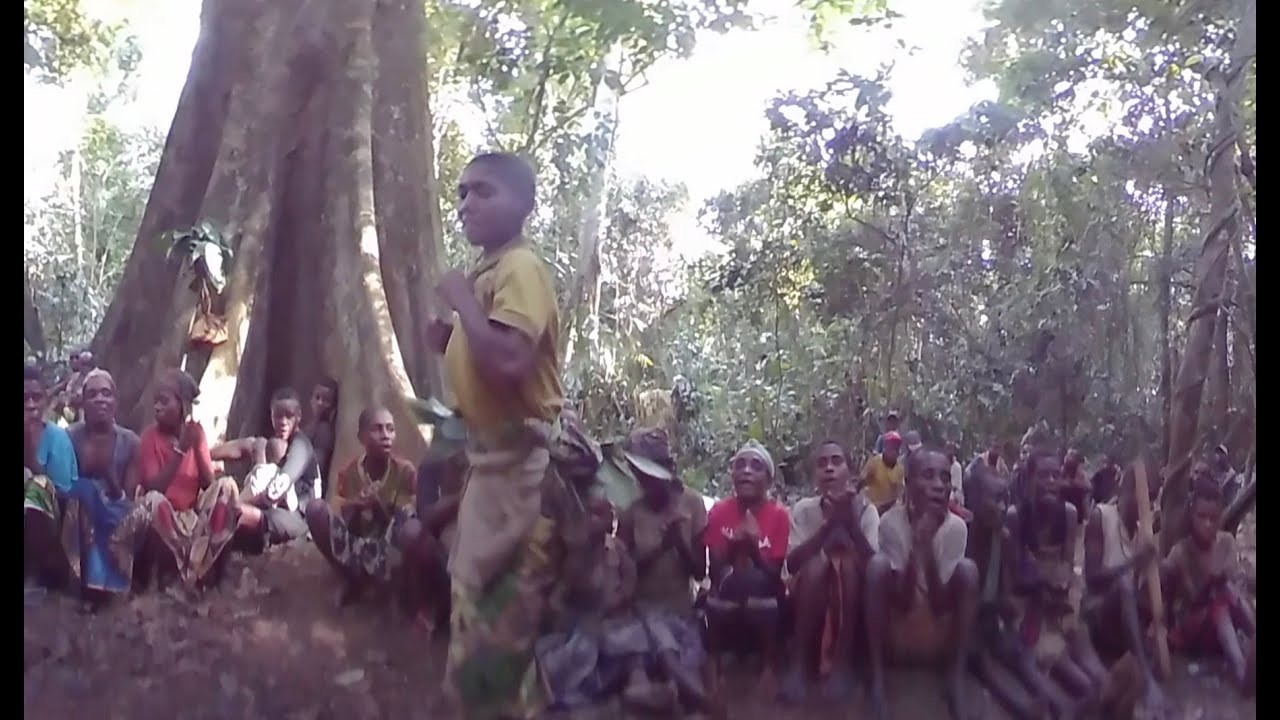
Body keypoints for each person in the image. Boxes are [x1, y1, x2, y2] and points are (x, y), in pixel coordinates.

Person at [428, 151, 568, 720]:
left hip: (522, 478)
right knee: (486, 621)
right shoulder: (492, 273)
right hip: (491, 475)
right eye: (461, 193)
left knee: (497, 631)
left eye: (483, 191)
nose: (466, 204)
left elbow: (510, 362)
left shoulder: (520, 269)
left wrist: (461, 300)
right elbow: (490, 364)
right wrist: (452, 340)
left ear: (523, 204)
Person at [865, 446, 979, 720]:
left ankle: (955, 676)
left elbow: (941, 606)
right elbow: (902, 602)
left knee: (968, 570)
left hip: (937, 634)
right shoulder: (891, 523)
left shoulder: (956, 527)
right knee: (877, 567)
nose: (939, 485)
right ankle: (878, 675)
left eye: (944, 478)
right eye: (928, 476)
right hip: (900, 633)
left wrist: (925, 549)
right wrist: (916, 546)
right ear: (908, 483)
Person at [614, 427, 711, 712]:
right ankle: (674, 692)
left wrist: (678, 542)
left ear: (666, 470)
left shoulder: (692, 503)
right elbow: (623, 569)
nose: (643, 481)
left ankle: (678, 692)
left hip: (680, 612)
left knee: (677, 657)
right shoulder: (631, 511)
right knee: (646, 648)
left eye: (648, 474)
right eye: (639, 475)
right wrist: (658, 548)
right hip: (641, 610)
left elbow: (699, 571)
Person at [1007, 448, 1105, 716]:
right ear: (1029, 480)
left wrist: (1059, 590)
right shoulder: (1017, 516)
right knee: (1080, 682)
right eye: (1043, 475)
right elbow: (1015, 576)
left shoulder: (1069, 514)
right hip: (1030, 608)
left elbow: (1067, 565)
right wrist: (1042, 588)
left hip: (1061, 602)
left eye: (1055, 475)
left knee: (1099, 677)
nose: (1051, 481)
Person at [782, 440, 878, 702]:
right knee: (817, 564)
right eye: (822, 463)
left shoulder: (867, 511)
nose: (829, 469)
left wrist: (851, 526)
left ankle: (842, 664)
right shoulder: (804, 509)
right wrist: (828, 527)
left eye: (837, 461)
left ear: (850, 471)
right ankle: (799, 664)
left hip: (852, 596)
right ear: (815, 475)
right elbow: (792, 564)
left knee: (846, 564)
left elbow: (874, 568)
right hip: (811, 594)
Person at [133, 369, 241, 589]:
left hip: (192, 518)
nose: (157, 407)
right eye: (156, 402)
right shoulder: (149, 437)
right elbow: (154, 487)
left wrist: (195, 444)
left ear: (182, 405)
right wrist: (180, 450)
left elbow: (208, 484)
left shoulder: (196, 432)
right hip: (164, 521)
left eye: (164, 402)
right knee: (153, 500)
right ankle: (177, 573)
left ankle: (208, 570)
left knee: (227, 487)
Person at [305, 406, 419, 606]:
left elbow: (407, 523)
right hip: (356, 545)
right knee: (315, 510)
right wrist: (357, 505)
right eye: (377, 429)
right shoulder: (349, 472)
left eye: (390, 429)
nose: (386, 436)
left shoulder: (405, 472)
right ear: (361, 437)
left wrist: (380, 506)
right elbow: (342, 520)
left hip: (389, 550)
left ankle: (393, 589)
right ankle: (351, 578)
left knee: (408, 520)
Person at [703, 440, 790, 701]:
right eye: (740, 465)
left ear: (769, 479)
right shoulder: (720, 511)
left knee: (756, 583)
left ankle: (769, 666)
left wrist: (752, 550)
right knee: (717, 595)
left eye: (756, 466)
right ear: (732, 476)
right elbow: (715, 571)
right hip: (728, 594)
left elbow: (775, 574)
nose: (747, 471)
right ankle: (714, 667)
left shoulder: (779, 515)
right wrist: (734, 545)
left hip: (765, 598)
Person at [1081, 461, 1168, 717]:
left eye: (1152, 500)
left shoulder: (1144, 533)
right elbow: (1092, 577)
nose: (1147, 507)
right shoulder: (1101, 517)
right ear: (1125, 490)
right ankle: (1147, 680)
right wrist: (1134, 562)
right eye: (1143, 497)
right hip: (1096, 613)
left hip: (1121, 622)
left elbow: (1144, 587)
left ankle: (1137, 676)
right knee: (1123, 585)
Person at [1162, 470, 1255, 694]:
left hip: (1225, 623)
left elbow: (1236, 588)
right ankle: (1242, 671)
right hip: (1193, 632)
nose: (1207, 524)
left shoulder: (1226, 543)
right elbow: (1170, 604)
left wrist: (1222, 582)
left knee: (1226, 591)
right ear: (1191, 515)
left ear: (1220, 517)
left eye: (1213, 518)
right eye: (1201, 517)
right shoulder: (1180, 552)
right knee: (1219, 602)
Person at [60, 369, 143, 597]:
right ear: (83, 403)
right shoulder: (69, 437)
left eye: (106, 393)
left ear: (115, 401)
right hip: (78, 516)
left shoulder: (131, 442)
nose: (100, 400)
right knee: (83, 491)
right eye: (93, 394)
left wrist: (108, 474)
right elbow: (62, 487)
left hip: (116, 514)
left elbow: (127, 500)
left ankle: (113, 584)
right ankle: (82, 581)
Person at [220, 387, 319, 551]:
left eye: (289, 416)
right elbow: (244, 446)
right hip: (278, 511)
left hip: (301, 519)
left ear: (299, 416)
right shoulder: (276, 444)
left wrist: (238, 503)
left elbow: (276, 490)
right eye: (278, 416)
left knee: (235, 513)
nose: (283, 422)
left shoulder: (301, 446)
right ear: (271, 416)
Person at [24, 363, 79, 590]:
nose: (31, 405)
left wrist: (29, 451)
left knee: (38, 484)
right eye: (24, 398)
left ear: (46, 400)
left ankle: (35, 574)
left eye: (36, 397)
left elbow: (64, 493)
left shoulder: (57, 438)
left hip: (50, 524)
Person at [305, 377, 339, 492]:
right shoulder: (310, 427)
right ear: (311, 399)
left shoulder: (324, 430)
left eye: (326, 400)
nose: (320, 403)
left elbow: (318, 466)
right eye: (317, 397)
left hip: (309, 487)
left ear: (333, 407)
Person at [860, 430, 905, 513]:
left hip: (888, 510)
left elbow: (899, 493)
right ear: (885, 446)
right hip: (871, 508)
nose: (893, 448)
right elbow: (862, 483)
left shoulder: (900, 469)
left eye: (896, 445)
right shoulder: (874, 462)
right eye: (891, 444)